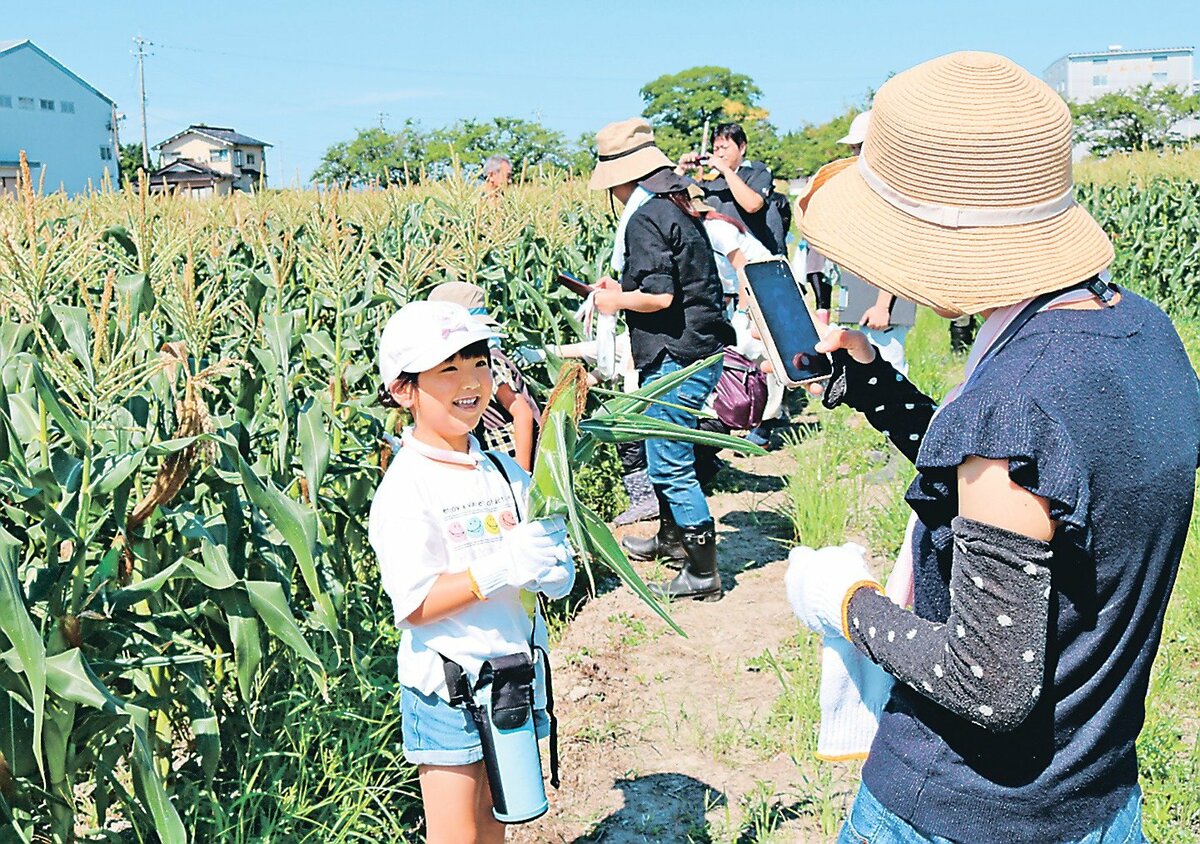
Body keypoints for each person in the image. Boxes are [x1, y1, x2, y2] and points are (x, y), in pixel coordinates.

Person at [789, 51, 1200, 843]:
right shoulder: (1144, 335)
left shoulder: (1016, 400)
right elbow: (1041, 485)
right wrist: (877, 387)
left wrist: (843, 602)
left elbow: (987, 683)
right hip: (1095, 796)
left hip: (958, 809)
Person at [370, 300, 575, 843]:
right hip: (448, 688)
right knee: (456, 835)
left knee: (495, 822)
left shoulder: (503, 471)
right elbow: (414, 604)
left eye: (479, 362)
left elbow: (543, 557)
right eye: (448, 370)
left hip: (511, 677)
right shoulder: (407, 488)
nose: (471, 382)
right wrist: (499, 568)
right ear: (403, 389)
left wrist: (556, 570)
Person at [588, 117, 735, 601]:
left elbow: (660, 298)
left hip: (677, 353)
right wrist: (624, 292)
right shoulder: (672, 205)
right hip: (696, 346)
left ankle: (702, 571)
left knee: (670, 460)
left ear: (620, 179)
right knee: (663, 448)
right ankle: (672, 541)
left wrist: (614, 302)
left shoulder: (646, 218)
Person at [429, 281, 541, 471]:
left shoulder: (488, 363)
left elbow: (522, 413)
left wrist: (523, 472)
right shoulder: (485, 357)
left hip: (509, 455)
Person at [679, 122, 787, 256]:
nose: (719, 154)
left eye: (724, 147)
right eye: (716, 149)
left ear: (742, 147)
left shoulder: (757, 172)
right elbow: (679, 202)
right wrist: (680, 170)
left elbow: (752, 205)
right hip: (723, 261)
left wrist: (725, 170)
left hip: (756, 257)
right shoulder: (709, 180)